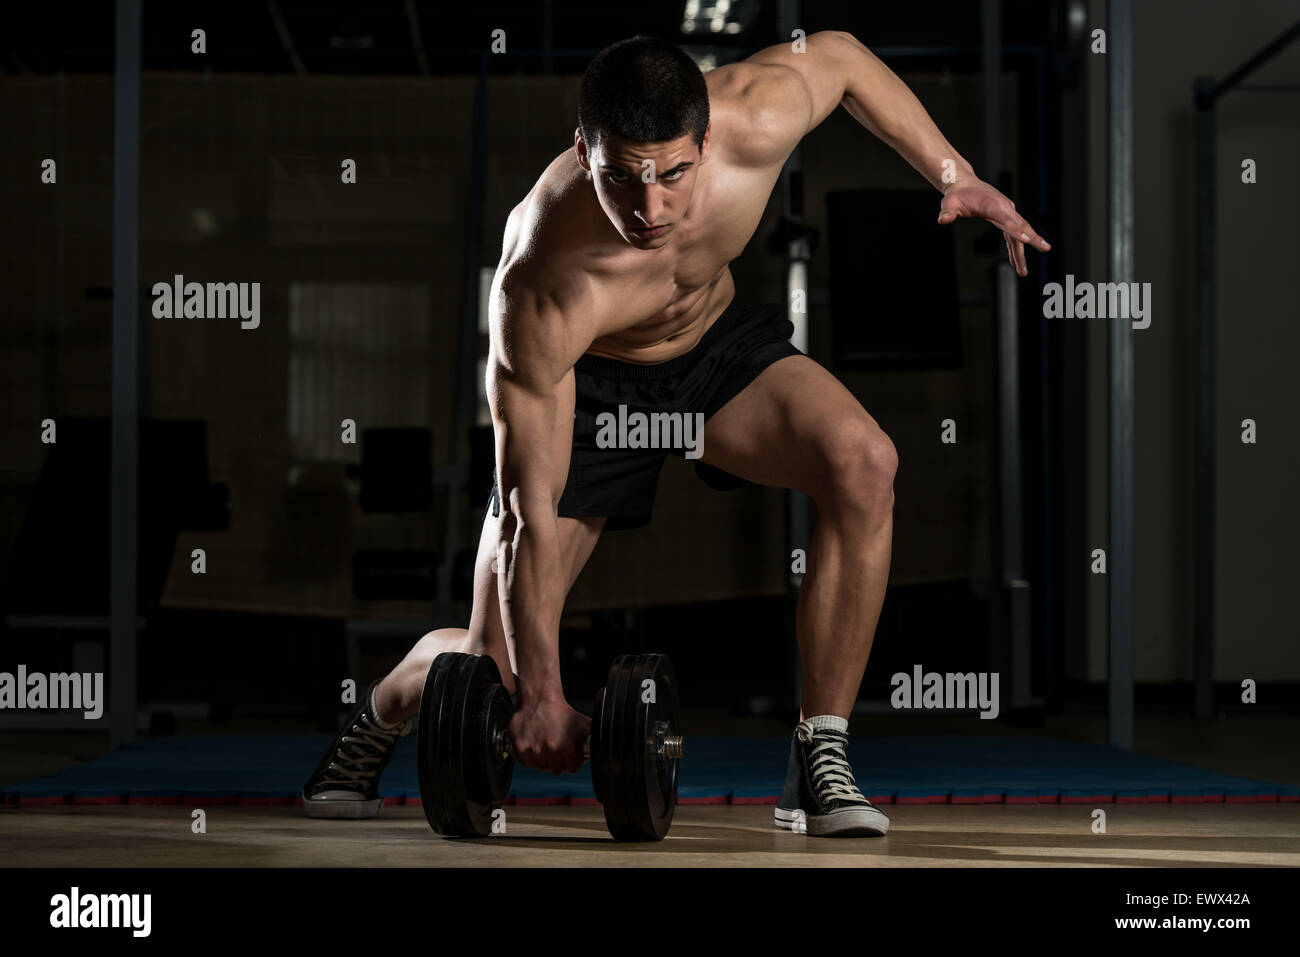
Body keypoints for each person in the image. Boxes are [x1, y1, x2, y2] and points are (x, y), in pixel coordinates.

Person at [303, 32, 1049, 836]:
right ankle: (376, 719)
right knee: (493, 665)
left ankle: (819, 756)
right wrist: (545, 696)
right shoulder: (540, 282)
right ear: (582, 148)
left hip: (711, 354)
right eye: (621, 176)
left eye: (673, 173)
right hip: (587, 385)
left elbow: (844, 59)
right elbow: (526, 506)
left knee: (864, 459)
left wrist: (954, 173)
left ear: (706, 140)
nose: (650, 209)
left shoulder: (756, 116)